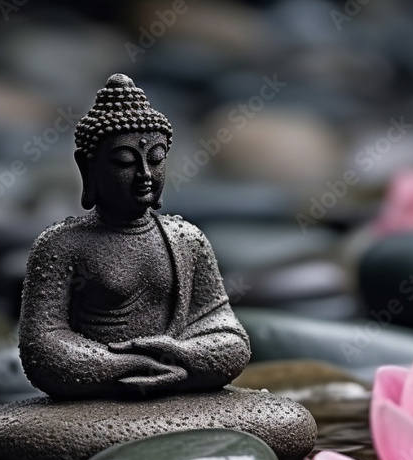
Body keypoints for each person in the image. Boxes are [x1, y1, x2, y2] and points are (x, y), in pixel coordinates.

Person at [18, 74, 250, 400]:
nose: (144, 174)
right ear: (88, 168)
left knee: (237, 355)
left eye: (155, 159)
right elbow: (42, 343)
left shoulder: (187, 239)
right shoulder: (62, 245)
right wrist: (124, 364)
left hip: (176, 364)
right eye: (124, 161)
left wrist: (181, 353)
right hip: (102, 380)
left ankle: (171, 381)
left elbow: (224, 328)